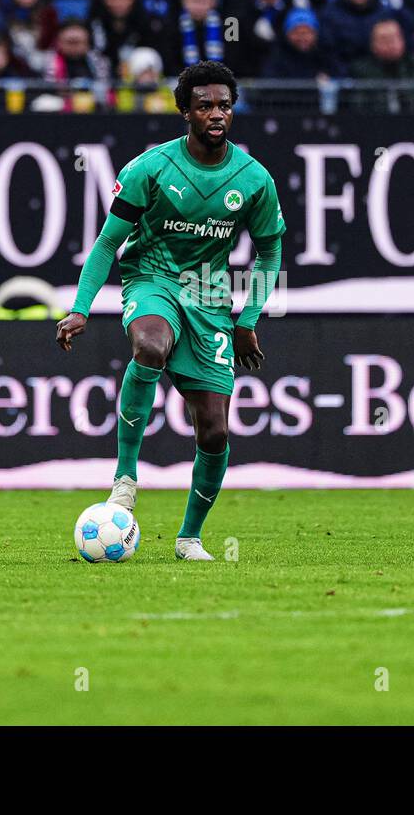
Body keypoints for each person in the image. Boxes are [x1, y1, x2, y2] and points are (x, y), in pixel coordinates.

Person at [55, 61, 286, 562]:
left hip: (210, 297)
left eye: (224, 105)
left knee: (216, 430)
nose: (216, 114)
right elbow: (106, 244)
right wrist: (80, 308)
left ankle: (189, 538)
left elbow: (271, 255)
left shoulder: (254, 180)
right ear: (184, 111)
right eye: (204, 106)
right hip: (153, 279)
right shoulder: (150, 168)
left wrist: (248, 320)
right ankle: (125, 480)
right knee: (151, 346)